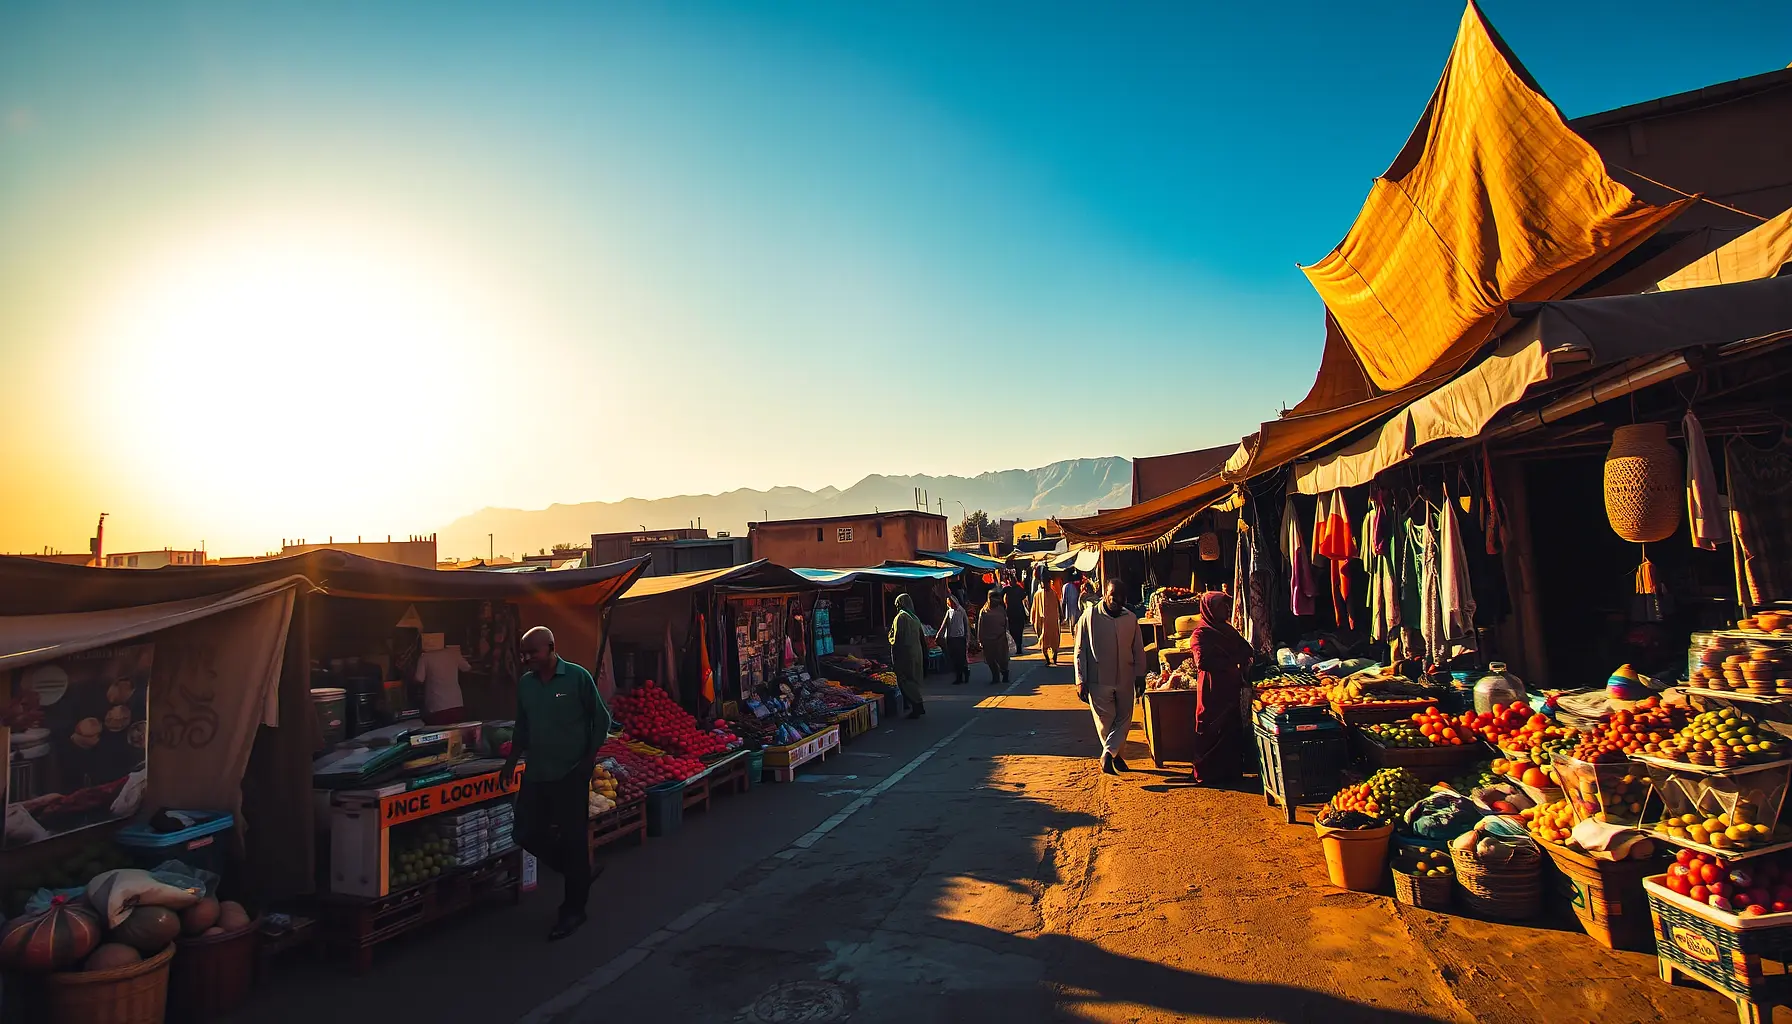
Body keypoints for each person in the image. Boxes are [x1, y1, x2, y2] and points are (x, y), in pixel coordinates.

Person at [503, 626, 610, 940]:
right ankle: (577, 872)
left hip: (570, 774)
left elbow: (601, 719)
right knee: (525, 832)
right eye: (523, 654)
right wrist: (512, 761)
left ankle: (573, 910)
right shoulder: (526, 684)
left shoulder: (577, 677)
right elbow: (522, 724)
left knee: (574, 839)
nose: (526, 659)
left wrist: (588, 761)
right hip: (536, 773)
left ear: (550, 647)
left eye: (531, 653)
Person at [1074, 579, 1146, 775]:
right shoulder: (1089, 617)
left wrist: (1140, 675)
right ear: (1105, 594)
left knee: (1125, 718)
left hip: (1125, 677)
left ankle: (1108, 754)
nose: (1117, 601)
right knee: (1105, 721)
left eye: (1121, 598)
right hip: (1099, 678)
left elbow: (1138, 649)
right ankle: (1115, 755)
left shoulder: (1131, 618)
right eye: (1113, 596)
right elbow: (1080, 650)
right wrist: (1080, 679)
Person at [1188, 590, 1255, 784]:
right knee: (1208, 728)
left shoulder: (1227, 630)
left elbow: (1247, 650)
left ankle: (1230, 772)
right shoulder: (1200, 633)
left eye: (1226, 605)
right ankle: (1206, 774)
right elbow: (1202, 662)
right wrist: (1232, 660)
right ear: (1209, 610)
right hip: (1211, 691)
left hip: (1230, 689)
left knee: (1230, 729)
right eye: (1221, 606)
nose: (1226, 609)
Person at [888, 592, 926, 718]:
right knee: (912, 678)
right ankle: (915, 704)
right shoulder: (914, 617)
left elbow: (897, 638)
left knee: (905, 679)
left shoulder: (901, 617)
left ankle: (917, 705)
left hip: (905, 653)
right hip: (916, 652)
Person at [978, 589, 1010, 685]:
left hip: (1000, 639)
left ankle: (1005, 673)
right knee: (990, 659)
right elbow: (980, 626)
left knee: (1002, 659)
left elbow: (1006, 624)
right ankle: (995, 676)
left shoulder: (1001, 610)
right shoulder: (984, 611)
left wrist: (1004, 634)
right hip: (988, 640)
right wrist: (980, 639)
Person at [938, 594, 969, 685]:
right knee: (954, 658)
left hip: (960, 638)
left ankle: (965, 673)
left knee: (961, 658)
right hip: (951, 638)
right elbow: (944, 624)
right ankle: (958, 677)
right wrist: (939, 634)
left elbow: (966, 624)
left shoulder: (961, 611)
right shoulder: (949, 612)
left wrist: (968, 638)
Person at [1030, 579, 1063, 666]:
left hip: (1053, 622)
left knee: (1055, 640)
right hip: (1042, 623)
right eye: (1044, 583)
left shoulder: (1053, 593)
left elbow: (1058, 606)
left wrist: (1061, 615)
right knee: (1043, 641)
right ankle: (1047, 659)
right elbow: (1034, 608)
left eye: (1047, 583)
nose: (1046, 585)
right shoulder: (1037, 594)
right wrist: (1032, 619)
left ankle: (1055, 657)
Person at [1003, 574, 1029, 655]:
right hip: (1017, 612)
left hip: (1012, 612)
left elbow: (999, 596)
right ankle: (1018, 647)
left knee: (1015, 630)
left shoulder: (1007, 589)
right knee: (1017, 631)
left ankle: (1018, 647)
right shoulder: (1016, 589)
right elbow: (1024, 596)